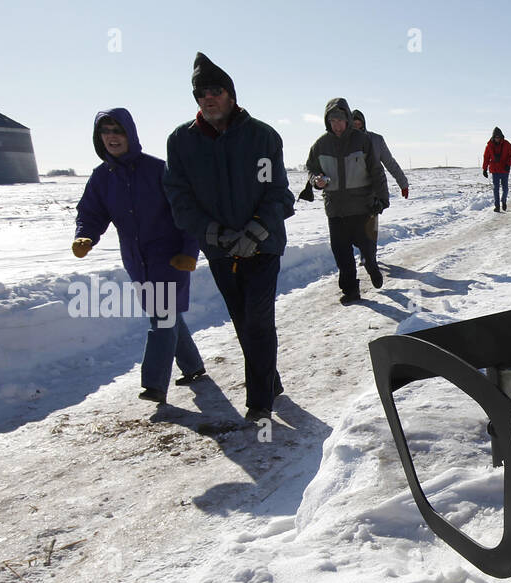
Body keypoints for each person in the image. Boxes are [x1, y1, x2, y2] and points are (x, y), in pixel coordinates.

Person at [162, 52, 295, 423]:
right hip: (220, 251)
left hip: (262, 245)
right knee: (242, 321)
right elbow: (179, 198)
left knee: (258, 319)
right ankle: (270, 380)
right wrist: (214, 233)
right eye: (201, 92)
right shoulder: (181, 142)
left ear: (231, 95)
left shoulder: (262, 137)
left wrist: (254, 231)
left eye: (216, 90)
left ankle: (260, 402)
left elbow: (277, 193)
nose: (209, 97)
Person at [73, 108, 206, 406]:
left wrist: (188, 251)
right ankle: (194, 367)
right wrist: (86, 235)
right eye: (105, 131)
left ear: (130, 134)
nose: (111, 137)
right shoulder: (101, 178)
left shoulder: (159, 170)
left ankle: (154, 384)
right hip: (136, 260)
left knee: (163, 316)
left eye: (117, 131)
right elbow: (91, 212)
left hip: (171, 257)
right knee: (165, 313)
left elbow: (186, 213)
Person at [306, 100, 386, 304]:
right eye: (332, 120)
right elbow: (311, 169)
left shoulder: (362, 140)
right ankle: (351, 290)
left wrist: (381, 198)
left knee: (367, 248)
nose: (336, 125)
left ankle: (372, 266)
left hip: (362, 206)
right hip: (335, 209)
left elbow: (377, 171)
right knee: (341, 253)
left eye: (340, 120)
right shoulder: (320, 144)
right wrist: (316, 180)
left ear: (347, 120)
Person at [350, 109, 408, 270]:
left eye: (359, 123)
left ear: (363, 123)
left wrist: (403, 183)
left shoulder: (375, 140)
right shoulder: (344, 142)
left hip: (373, 190)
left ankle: (369, 256)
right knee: (355, 227)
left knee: (370, 225)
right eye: (353, 123)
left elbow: (390, 162)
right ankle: (365, 252)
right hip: (351, 193)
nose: (356, 126)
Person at [482, 127, 511, 212]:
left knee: (505, 188)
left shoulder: (507, 144)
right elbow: (486, 158)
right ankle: (497, 206)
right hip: (495, 171)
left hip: (504, 170)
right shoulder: (489, 146)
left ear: (501, 137)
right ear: (493, 137)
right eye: (496, 137)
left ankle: (503, 201)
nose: (497, 139)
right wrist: (484, 169)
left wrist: (508, 164)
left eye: (498, 137)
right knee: (495, 189)